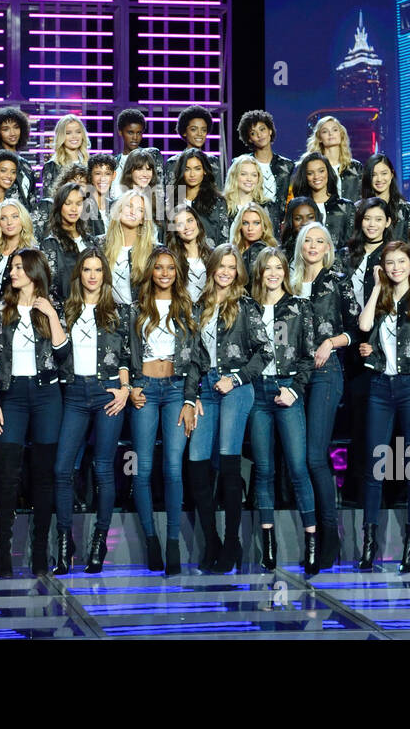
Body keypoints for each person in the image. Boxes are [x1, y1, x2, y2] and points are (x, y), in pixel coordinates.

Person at [357, 241, 410, 572]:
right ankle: (369, 546)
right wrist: (377, 288)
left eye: (400, 261)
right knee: (375, 466)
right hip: (380, 385)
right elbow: (364, 327)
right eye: (389, 262)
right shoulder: (382, 300)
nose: (395, 267)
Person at [189, 244, 272, 573]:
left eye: (231, 266)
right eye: (220, 266)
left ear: (238, 271)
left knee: (228, 462)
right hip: (205, 389)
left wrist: (236, 379)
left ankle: (232, 541)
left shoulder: (246, 306)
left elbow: (265, 351)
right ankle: (212, 540)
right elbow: (193, 358)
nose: (225, 271)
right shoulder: (199, 306)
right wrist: (190, 394)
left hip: (236, 388)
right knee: (196, 463)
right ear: (212, 268)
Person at [0, 249, 69, 576]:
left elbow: (63, 354)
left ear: (35, 272)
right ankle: (4, 554)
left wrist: (50, 314)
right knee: (7, 475)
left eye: (19, 267)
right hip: (11, 393)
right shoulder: (0, 311)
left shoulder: (51, 308)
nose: (13, 272)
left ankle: (39, 553)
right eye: (12, 268)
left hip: (47, 393)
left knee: (43, 476)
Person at [53, 248, 131, 574]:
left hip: (107, 392)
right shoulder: (66, 310)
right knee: (61, 469)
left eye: (98, 270)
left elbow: (127, 355)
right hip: (74, 392)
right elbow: (58, 354)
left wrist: (125, 389)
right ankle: (63, 545)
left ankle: (98, 543)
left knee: (102, 469)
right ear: (79, 274)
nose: (92, 275)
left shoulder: (119, 311)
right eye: (87, 269)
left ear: (105, 275)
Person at [128, 246, 199, 574]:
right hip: (145, 389)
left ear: (177, 271)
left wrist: (188, 399)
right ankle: (151, 540)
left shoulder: (187, 307)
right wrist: (131, 386)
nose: (165, 273)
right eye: (159, 267)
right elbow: (125, 351)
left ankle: (173, 542)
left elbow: (197, 359)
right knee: (142, 471)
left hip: (174, 391)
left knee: (172, 468)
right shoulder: (136, 307)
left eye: (170, 267)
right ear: (151, 272)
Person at [292, 221, 359, 569]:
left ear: (328, 247)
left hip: (326, 372)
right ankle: (311, 532)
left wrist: (330, 342)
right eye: (308, 240)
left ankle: (330, 536)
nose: (313, 246)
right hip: (290, 376)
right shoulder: (287, 280)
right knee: (297, 458)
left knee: (316, 456)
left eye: (320, 240)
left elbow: (356, 327)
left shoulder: (338, 281)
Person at [249, 248, 318, 572]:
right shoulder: (246, 308)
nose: (273, 273)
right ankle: (269, 546)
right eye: (268, 268)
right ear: (259, 272)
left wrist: (294, 389)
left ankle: (312, 544)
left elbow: (307, 355)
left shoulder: (298, 307)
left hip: (287, 389)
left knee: (297, 467)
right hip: (257, 394)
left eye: (279, 267)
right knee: (263, 470)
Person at [39, 182, 93, 305]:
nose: (74, 209)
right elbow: (48, 288)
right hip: (65, 311)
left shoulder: (91, 241)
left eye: (79, 204)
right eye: (68, 203)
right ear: (59, 205)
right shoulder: (51, 244)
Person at [237, 109, 296, 217]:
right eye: (253, 133)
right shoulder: (241, 163)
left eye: (262, 129)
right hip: (250, 220)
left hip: (279, 224)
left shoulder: (286, 165)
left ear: (270, 131)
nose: (259, 135)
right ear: (249, 139)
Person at [290, 152, 353, 252]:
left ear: (328, 172)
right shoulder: (298, 207)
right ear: (305, 176)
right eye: (310, 173)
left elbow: (352, 245)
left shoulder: (346, 207)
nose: (316, 177)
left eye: (321, 171)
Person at [167, 147, 229, 246]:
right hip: (178, 257)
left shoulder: (217, 202)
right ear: (182, 172)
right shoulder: (172, 201)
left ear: (204, 171)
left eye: (197, 169)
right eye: (187, 169)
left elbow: (224, 238)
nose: (192, 174)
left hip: (209, 257)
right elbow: (167, 237)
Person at [103, 190, 156, 305]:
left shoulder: (154, 251)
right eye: (129, 206)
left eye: (140, 210)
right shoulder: (101, 245)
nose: (133, 212)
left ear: (143, 219)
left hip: (143, 317)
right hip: (108, 316)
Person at [342, 197, 391, 309]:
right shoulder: (344, 255)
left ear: (387, 222)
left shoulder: (392, 256)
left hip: (378, 321)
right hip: (347, 323)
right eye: (367, 218)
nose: (372, 224)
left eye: (378, 219)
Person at [305, 115, 364, 204]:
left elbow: (363, 197)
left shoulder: (356, 167)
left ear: (341, 134)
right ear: (319, 138)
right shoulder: (311, 167)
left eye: (335, 130)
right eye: (325, 131)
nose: (330, 134)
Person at [0, 106, 36, 208]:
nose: (12, 133)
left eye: (16, 127)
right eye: (6, 129)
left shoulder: (25, 164)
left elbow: (32, 197)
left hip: (27, 220)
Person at [0, 197, 35, 302]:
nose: (9, 222)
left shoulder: (31, 255)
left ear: (23, 220)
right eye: (3, 218)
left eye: (15, 217)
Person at [359, 153, 410, 243]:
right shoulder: (358, 208)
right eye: (373, 175)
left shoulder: (406, 209)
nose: (379, 179)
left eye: (384, 173)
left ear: (391, 175)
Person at [166, 203, 214, 303]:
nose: (187, 227)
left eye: (190, 221)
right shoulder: (171, 260)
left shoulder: (213, 255)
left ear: (197, 222)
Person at [165, 106, 223, 185]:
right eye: (193, 129)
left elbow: (217, 192)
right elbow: (174, 195)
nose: (200, 134)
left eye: (204, 130)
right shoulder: (174, 162)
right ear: (184, 132)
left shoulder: (213, 162)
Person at [223, 156, 280, 234]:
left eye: (254, 175)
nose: (249, 179)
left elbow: (274, 238)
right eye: (243, 174)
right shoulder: (222, 206)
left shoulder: (268, 207)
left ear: (258, 178)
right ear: (234, 176)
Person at [41, 115, 91, 201]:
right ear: (61, 136)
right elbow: (49, 200)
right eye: (68, 133)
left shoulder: (90, 164)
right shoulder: (52, 166)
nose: (74, 136)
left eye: (78, 132)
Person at [229, 202, 278, 279]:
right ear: (240, 226)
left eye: (256, 223)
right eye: (245, 223)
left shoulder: (268, 251)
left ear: (263, 225)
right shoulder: (234, 250)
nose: (250, 228)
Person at [86, 154, 118, 235]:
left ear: (113, 175)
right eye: (97, 173)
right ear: (90, 175)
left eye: (107, 173)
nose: (102, 178)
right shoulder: (83, 206)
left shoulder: (117, 207)